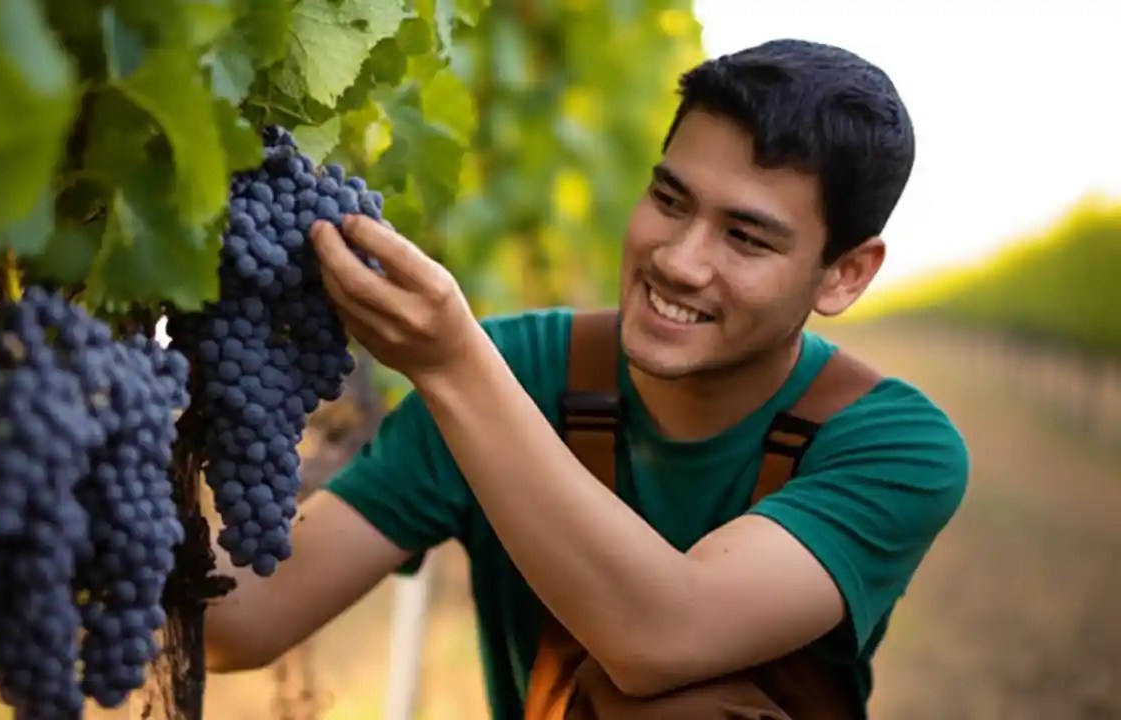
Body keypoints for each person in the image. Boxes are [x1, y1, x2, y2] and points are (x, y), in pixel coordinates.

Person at [202, 37, 969, 719]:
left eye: (745, 238)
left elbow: (664, 634)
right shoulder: (510, 372)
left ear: (844, 274)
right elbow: (245, 623)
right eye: (669, 200)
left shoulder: (896, 447)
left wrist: (452, 363)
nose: (678, 259)